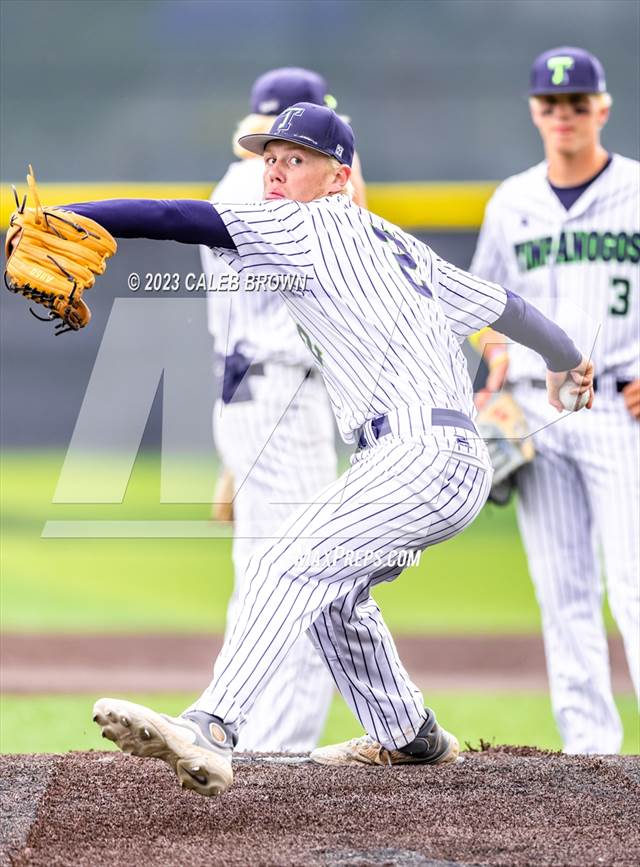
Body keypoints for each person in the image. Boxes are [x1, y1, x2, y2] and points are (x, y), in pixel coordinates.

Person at [65, 103, 593, 796]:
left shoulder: (302, 224)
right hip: (428, 456)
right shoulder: (400, 245)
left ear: (339, 176)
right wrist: (567, 362)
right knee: (333, 597)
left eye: (296, 159)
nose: (276, 172)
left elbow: (173, 216)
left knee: (287, 558)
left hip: (421, 452)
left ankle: (212, 725)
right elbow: (510, 309)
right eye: (269, 159)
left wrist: (70, 215)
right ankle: (409, 733)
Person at [470, 47, 639, 754]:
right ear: (535, 112)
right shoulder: (512, 202)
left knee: (634, 581)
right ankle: (591, 754)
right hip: (539, 412)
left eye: (577, 103)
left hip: (620, 407)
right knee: (563, 589)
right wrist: (497, 366)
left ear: (602, 108)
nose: (564, 114)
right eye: (551, 104)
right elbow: (484, 307)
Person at [201, 68, 367, 753]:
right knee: (312, 572)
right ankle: (280, 749)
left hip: (246, 397)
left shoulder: (232, 184)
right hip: (283, 393)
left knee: (260, 576)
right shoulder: (285, 191)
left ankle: (238, 736)